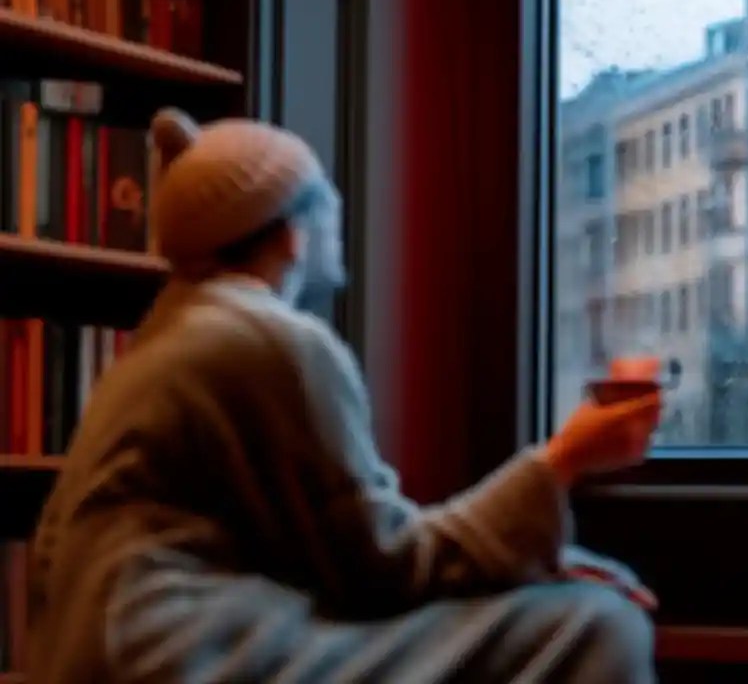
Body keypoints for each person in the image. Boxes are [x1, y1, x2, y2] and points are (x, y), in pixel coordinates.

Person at [27, 109, 661, 683]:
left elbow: (334, 555)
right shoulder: (269, 339)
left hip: (116, 647)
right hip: (183, 653)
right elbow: (386, 566)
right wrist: (565, 461)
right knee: (594, 624)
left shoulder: (172, 333)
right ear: (295, 232)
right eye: (328, 200)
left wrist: (535, 557)